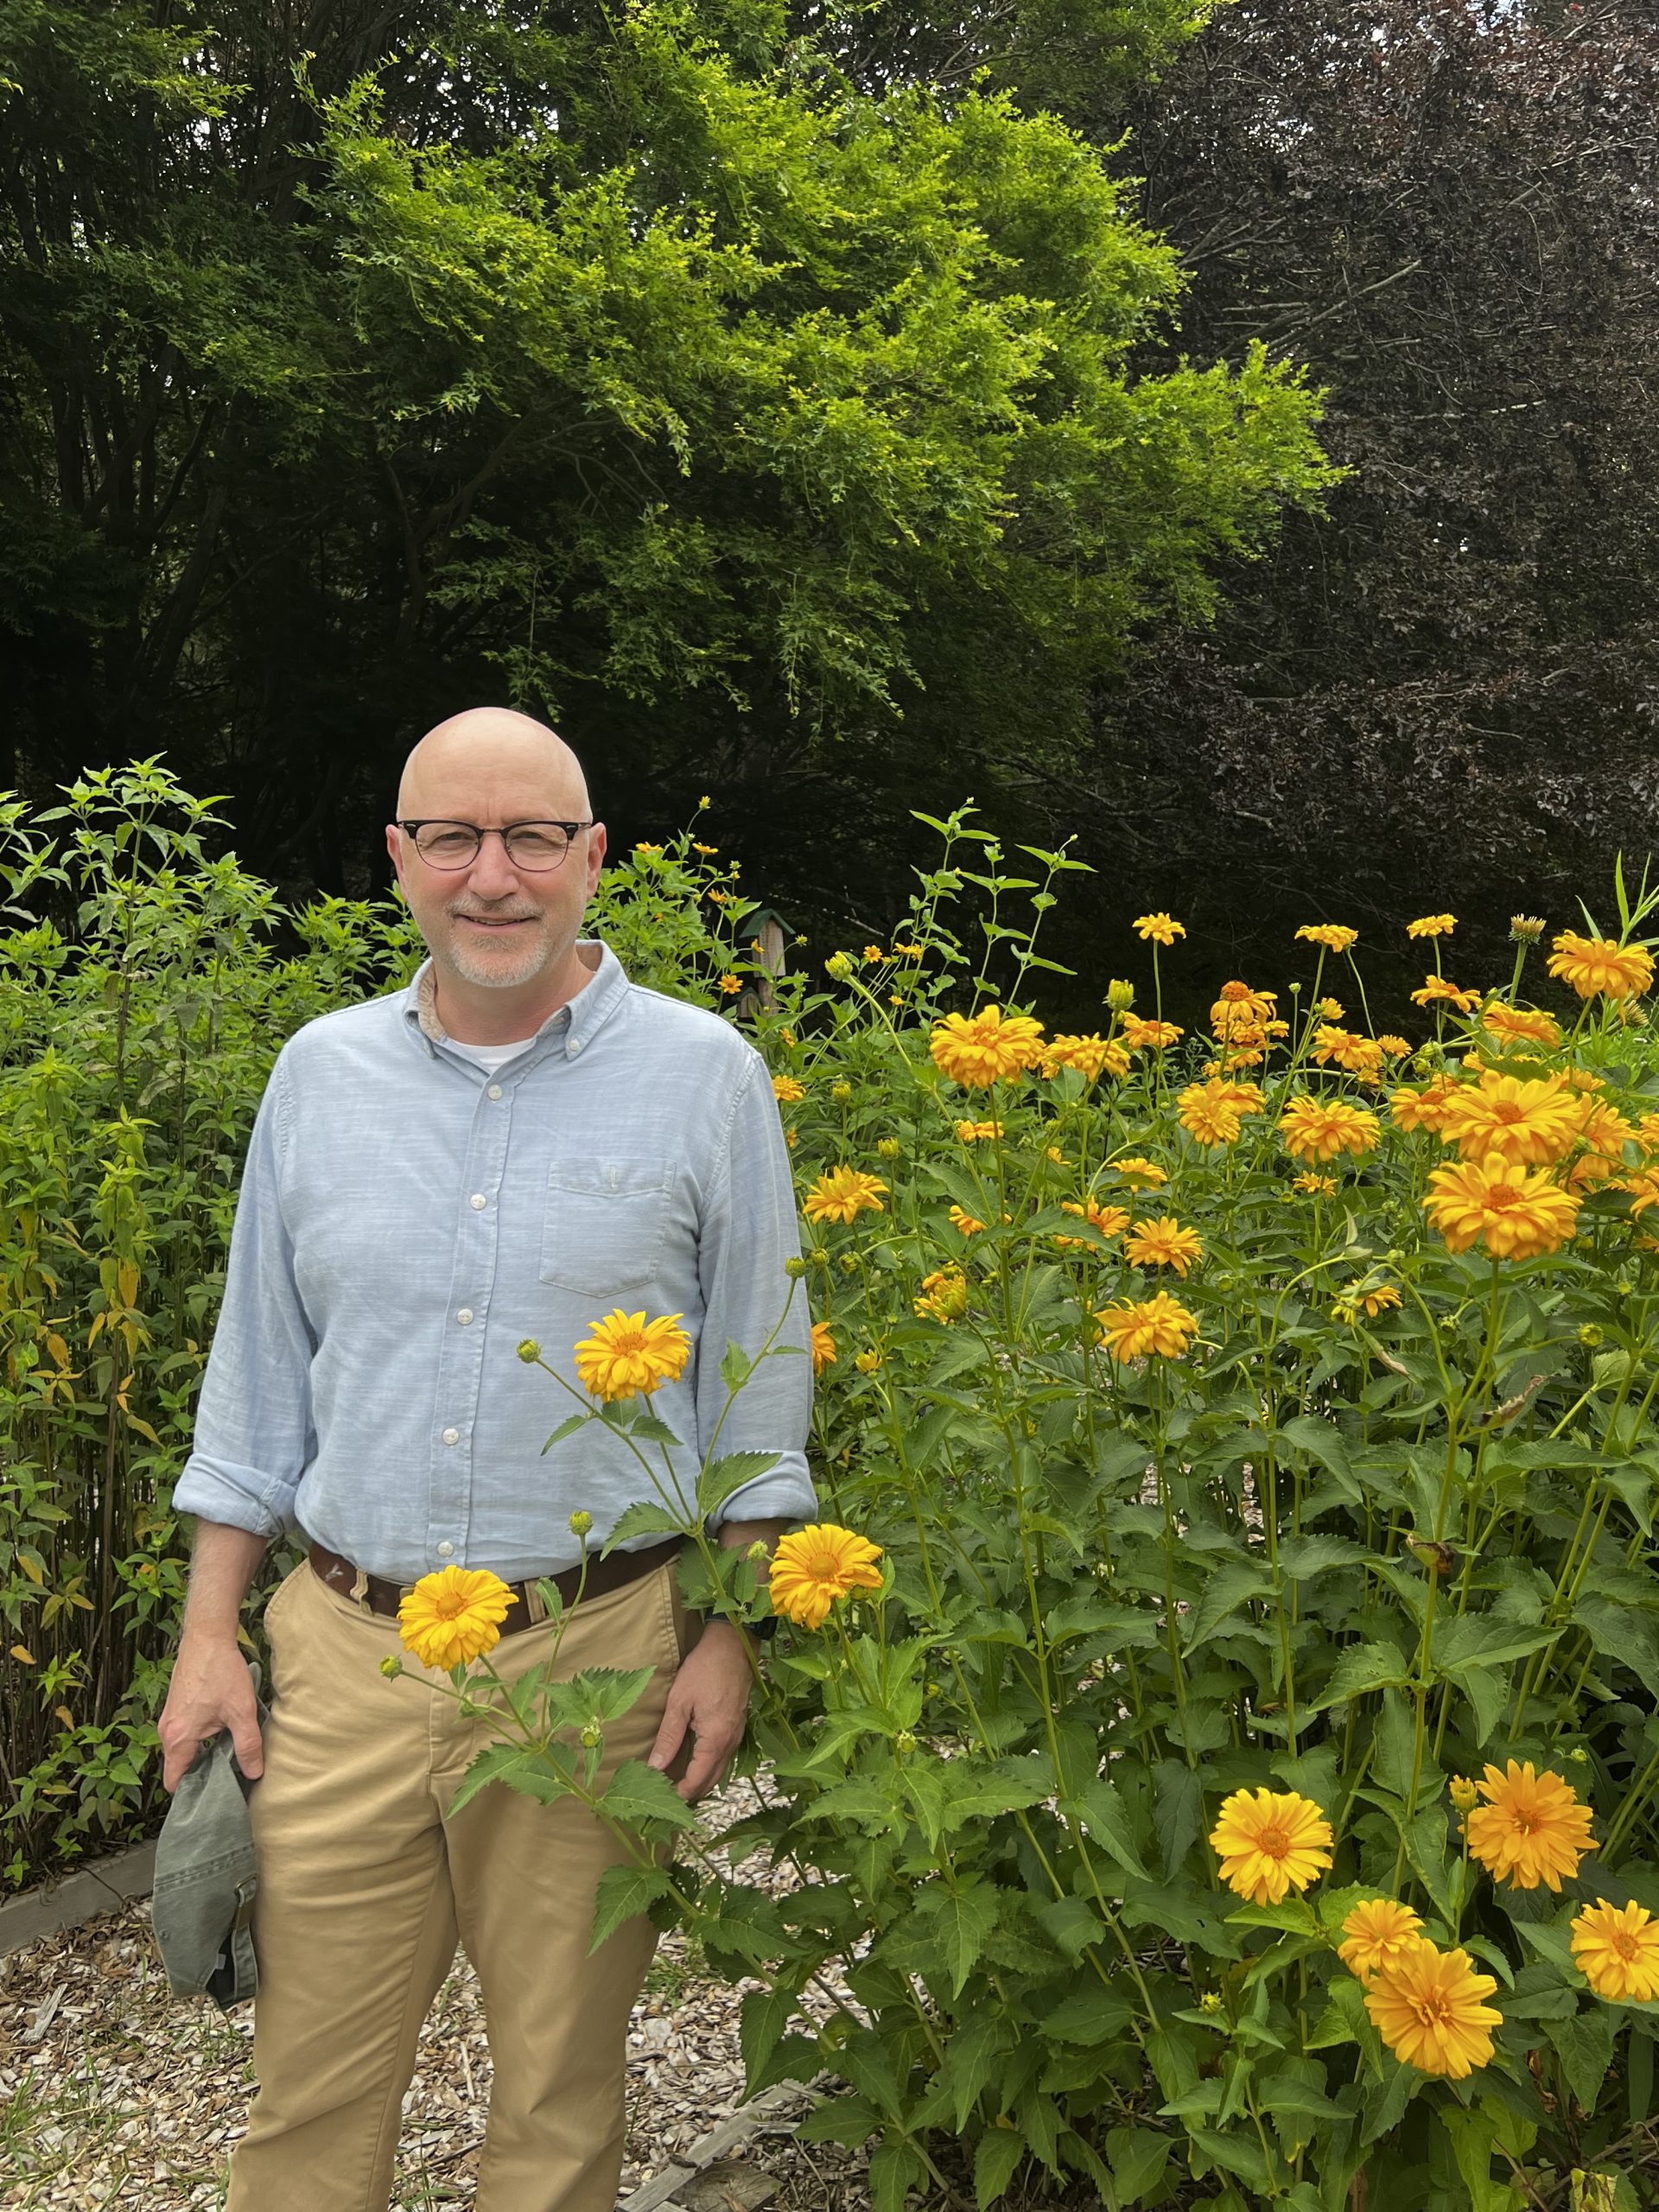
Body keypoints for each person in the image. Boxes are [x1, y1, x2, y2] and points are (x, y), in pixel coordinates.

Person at [156, 707, 815, 2212]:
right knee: (308, 2096)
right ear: (400, 860)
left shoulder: (706, 1077)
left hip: (598, 1656)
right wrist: (209, 1639)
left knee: (561, 2096)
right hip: (346, 1660)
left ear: (595, 858)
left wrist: (730, 1632)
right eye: (454, 838)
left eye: (532, 837)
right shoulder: (318, 1075)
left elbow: (758, 1388)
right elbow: (255, 1390)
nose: (493, 875)